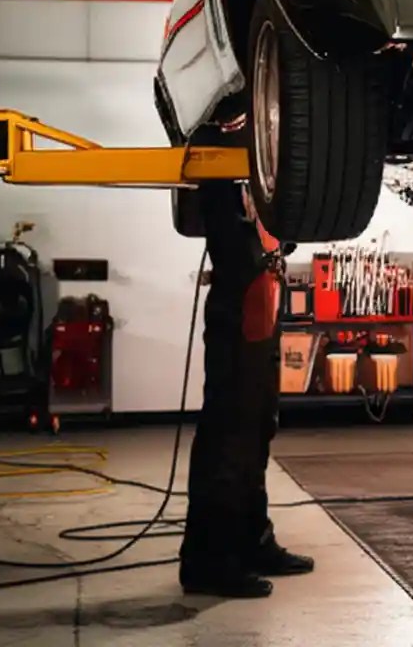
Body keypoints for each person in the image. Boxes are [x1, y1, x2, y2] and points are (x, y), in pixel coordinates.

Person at [179, 181, 313, 598]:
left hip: (262, 303)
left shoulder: (262, 176)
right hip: (238, 310)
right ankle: (208, 561)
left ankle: (253, 541)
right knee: (230, 433)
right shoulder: (221, 175)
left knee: (257, 427)